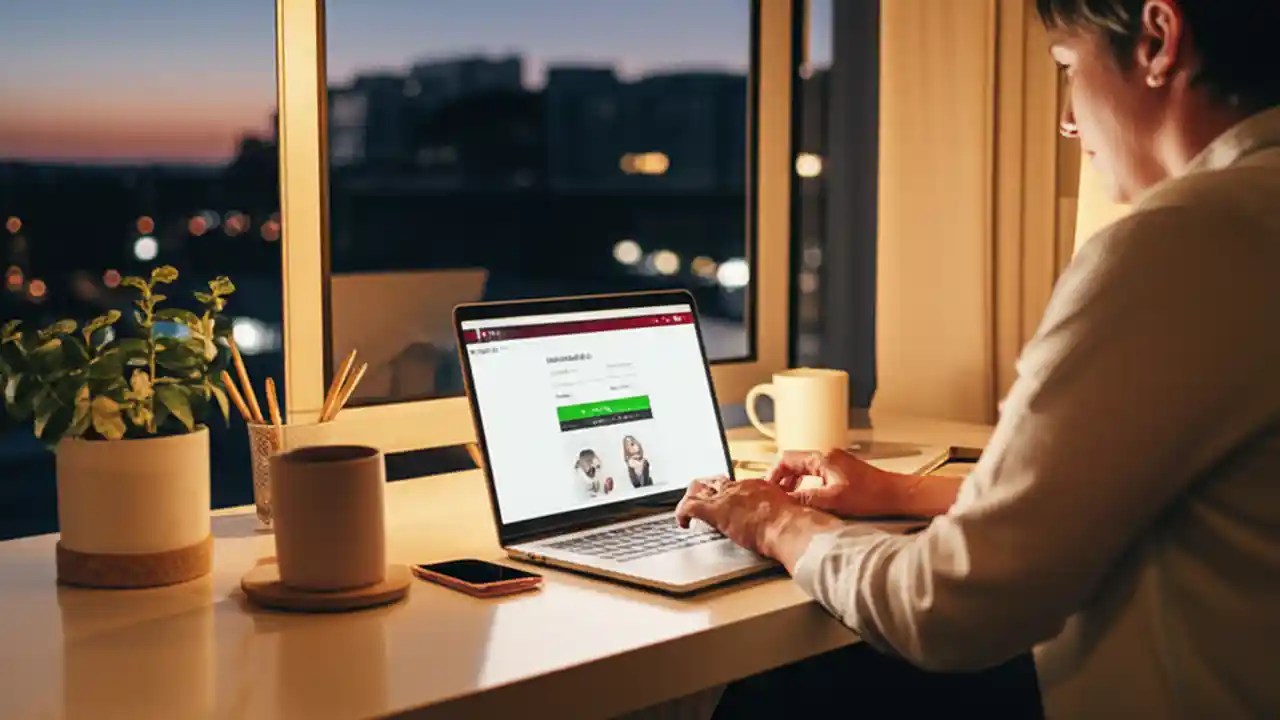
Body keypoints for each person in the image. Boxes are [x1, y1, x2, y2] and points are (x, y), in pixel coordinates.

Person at [677, 1, 1280, 716]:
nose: (1067, 120)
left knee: (787, 690)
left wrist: (776, 523)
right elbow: (1144, 489)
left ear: (1157, 39)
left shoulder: (1181, 245)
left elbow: (949, 610)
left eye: (1068, 68)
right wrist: (902, 495)